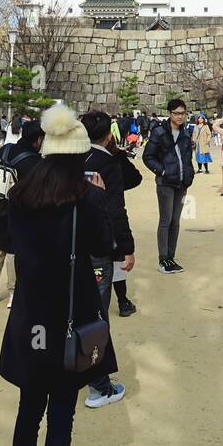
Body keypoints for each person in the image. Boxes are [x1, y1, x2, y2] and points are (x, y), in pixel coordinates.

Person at [0, 103, 116, 446]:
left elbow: (8, 242)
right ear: (80, 154)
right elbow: (102, 249)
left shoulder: (22, 192)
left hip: (31, 318)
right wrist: (100, 198)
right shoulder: (85, 197)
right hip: (69, 317)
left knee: (29, 413)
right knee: (61, 419)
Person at [82, 109, 141, 404]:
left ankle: (74, 368)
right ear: (108, 136)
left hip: (69, 248)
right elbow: (116, 208)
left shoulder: (66, 160)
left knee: (75, 309)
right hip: (97, 249)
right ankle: (98, 385)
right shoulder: (107, 162)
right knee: (97, 314)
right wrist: (126, 248)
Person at [0, 119, 45, 307]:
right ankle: (14, 293)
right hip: (18, 211)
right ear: (38, 139)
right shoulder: (34, 161)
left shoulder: (5, 149)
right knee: (13, 251)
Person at [142, 97, 194, 272]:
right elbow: (147, 156)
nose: (180, 117)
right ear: (170, 114)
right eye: (176, 113)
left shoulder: (186, 133)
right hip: (165, 183)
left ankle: (171, 257)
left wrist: (189, 173)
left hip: (181, 183)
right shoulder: (159, 132)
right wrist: (162, 171)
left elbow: (187, 157)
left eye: (183, 113)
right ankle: (163, 259)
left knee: (176, 221)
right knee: (166, 220)